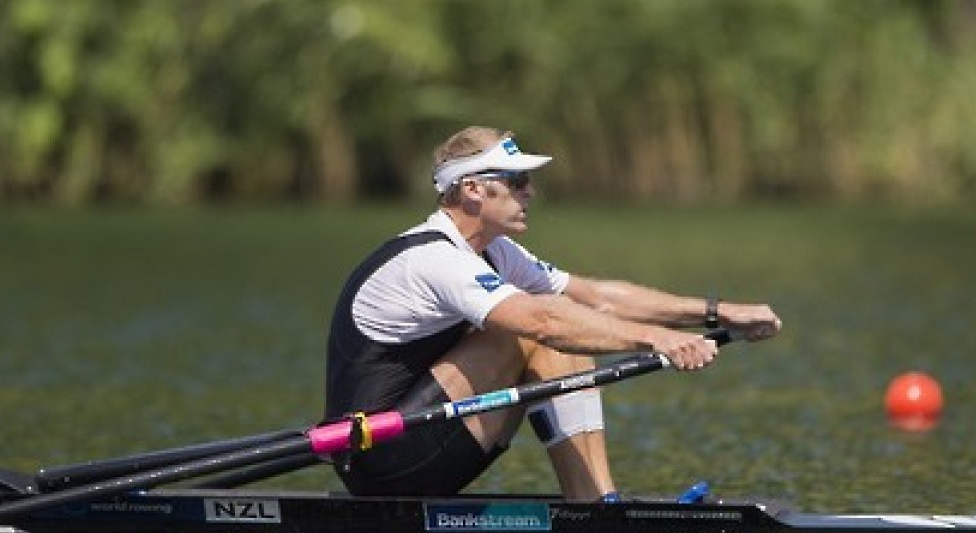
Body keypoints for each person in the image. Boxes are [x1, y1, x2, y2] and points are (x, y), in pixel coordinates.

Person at [324, 126, 781, 501]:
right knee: (537, 329)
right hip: (378, 459)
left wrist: (718, 312)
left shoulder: (497, 252)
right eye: (517, 182)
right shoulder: (432, 259)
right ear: (472, 189)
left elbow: (597, 297)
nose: (531, 192)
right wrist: (656, 339)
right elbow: (545, 322)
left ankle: (598, 504)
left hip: (431, 440)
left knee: (557, 313)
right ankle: (593, 507)